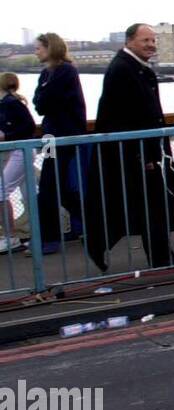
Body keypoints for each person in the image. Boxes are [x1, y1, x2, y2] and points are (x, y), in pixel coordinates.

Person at [85, 24, 174, 270]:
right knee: (140, 207)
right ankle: (98, 242)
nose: (151, 44)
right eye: (145, 40)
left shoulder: (134, 68)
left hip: (138, 151)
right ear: (129, 41)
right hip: (131, 153)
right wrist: (144, 154)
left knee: (149, 207)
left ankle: (161, 256)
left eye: (153, 40)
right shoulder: (122, 70)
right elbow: (123, 117)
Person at [32, 32, 88, 255]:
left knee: (47, 188)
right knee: (60, 187)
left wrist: (44, 96)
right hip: (51, 136)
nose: (36, 51)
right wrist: (44, 96)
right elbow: (39, 104)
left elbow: (45, 100)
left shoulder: (65, 71)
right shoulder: (48, 73)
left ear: (49, 48)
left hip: (62, 135)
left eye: (38, 48)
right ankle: (89, 223)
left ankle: (50, 239)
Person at [0, 73, 37, 254]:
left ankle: (10, 237)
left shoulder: (10, 103)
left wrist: (6, 135)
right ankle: (37, 233)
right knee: (28, 192)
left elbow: (28, 127)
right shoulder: (9, 103)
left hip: (21, 151)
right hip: (22, 150)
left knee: (1, 191)